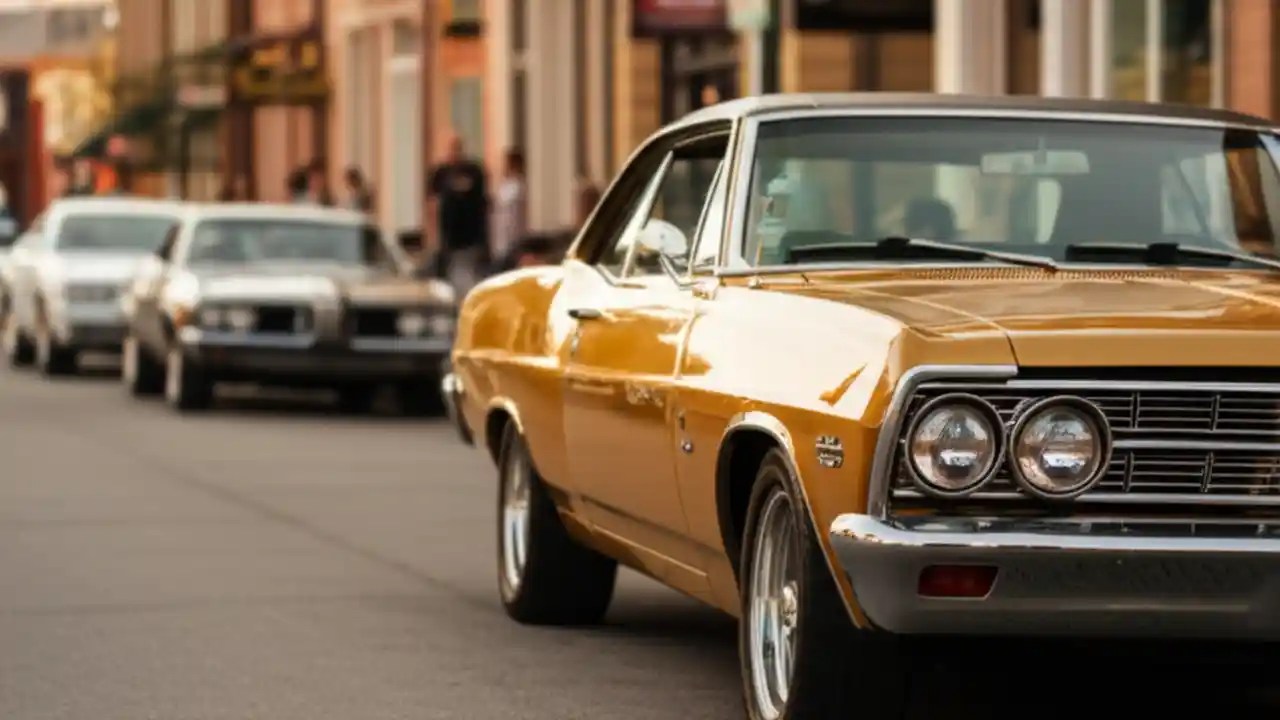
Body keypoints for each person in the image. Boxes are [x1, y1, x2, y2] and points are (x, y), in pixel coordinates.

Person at [427, 134, 489, 297]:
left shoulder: (474, 171)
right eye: (450, 147)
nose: (454, 151)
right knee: (450, 283)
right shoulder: (440, 173)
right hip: (448, 238)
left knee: (469, 279)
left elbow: (484, 203)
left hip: (471, 238)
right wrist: (432, 235)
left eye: (456, 146)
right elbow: (432, 204)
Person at [490, 148, 527, 272]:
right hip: (501, 241)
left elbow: (514, 217)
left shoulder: (517, 187)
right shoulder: (505, 185)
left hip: (512, 240)